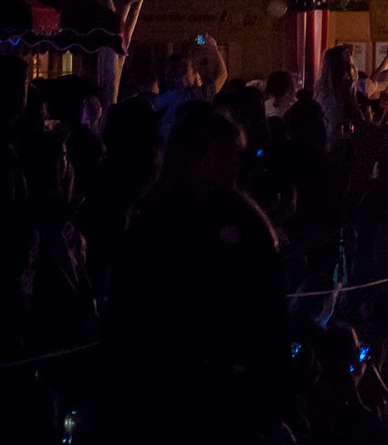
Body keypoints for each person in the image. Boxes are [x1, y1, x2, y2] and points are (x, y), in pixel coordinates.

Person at [101, 105, 288, 444]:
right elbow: (127, 302)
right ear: (192, 156)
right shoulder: (153, 215)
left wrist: (269, 396)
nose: (234, 165)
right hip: (164, 382)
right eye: (224, 155)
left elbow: (269, 308)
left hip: (227, 382)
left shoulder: (244, 221)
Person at [315, 44, 362, 136]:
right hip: (344, 138)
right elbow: (357, 118)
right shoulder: (346, 86)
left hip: (327, 136)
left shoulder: (320, 86)